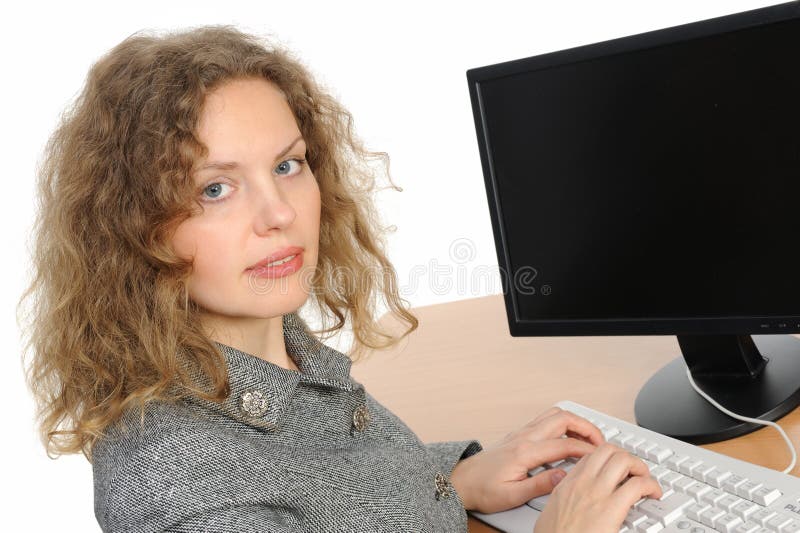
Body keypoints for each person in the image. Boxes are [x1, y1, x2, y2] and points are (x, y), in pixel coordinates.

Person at [18, 24, 661, 532]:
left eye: (289, 165)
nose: (278, 214)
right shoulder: (174, 487)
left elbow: (334, 495)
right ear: (137, 228)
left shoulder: (282, 354)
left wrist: (452, 480)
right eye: (216, 188)